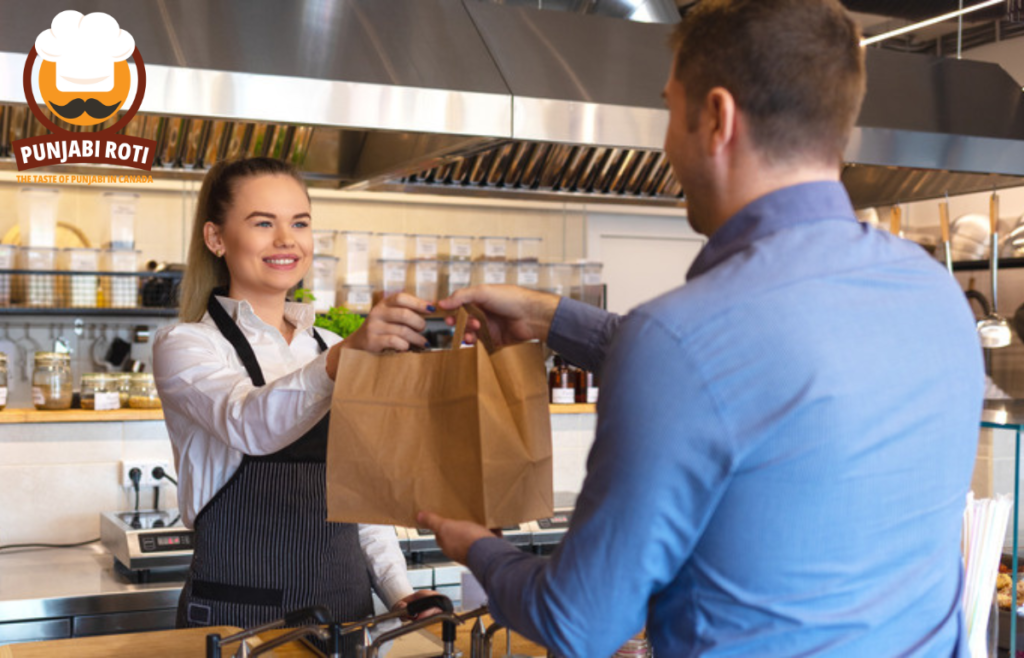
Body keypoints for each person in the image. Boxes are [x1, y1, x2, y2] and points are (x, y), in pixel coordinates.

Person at [419, 1, 984, 656]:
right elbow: (742, 378)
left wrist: (476, 547)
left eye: (668, 109)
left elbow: (576, 623)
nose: (664, 144)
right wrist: (552, 317)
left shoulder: (681, 340)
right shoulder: (933, 292)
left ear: (716, 119)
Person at [152, 157, 438, 644]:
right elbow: (251, 423)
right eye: (263, 223)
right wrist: (348, 358)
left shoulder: (327, 345)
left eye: (299, 223)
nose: (287, 239)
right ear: (216, 238)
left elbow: (360, 500)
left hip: (347, 619)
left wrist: (399, 591)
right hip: (238, 622)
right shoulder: (185, 345)